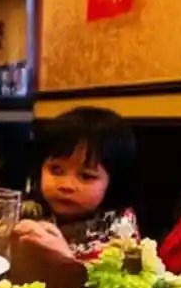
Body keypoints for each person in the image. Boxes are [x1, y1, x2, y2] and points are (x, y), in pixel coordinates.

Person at [12, 106, 140, 262]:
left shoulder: (121, 233)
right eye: (56, 170)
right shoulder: (31, 207)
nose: (66, 185)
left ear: (114, 182)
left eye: (86, 176)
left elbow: (117, 283)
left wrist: (67, 261)